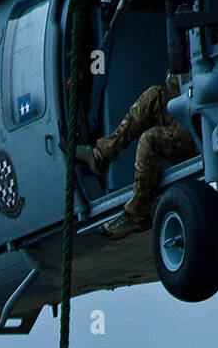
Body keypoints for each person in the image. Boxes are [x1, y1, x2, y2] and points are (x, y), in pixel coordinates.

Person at [76, 72, 197, 239]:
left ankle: (138, 213)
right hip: (195, 116)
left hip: (208, 130)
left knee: (150, 140)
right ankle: (101, 154)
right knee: (154, 95)